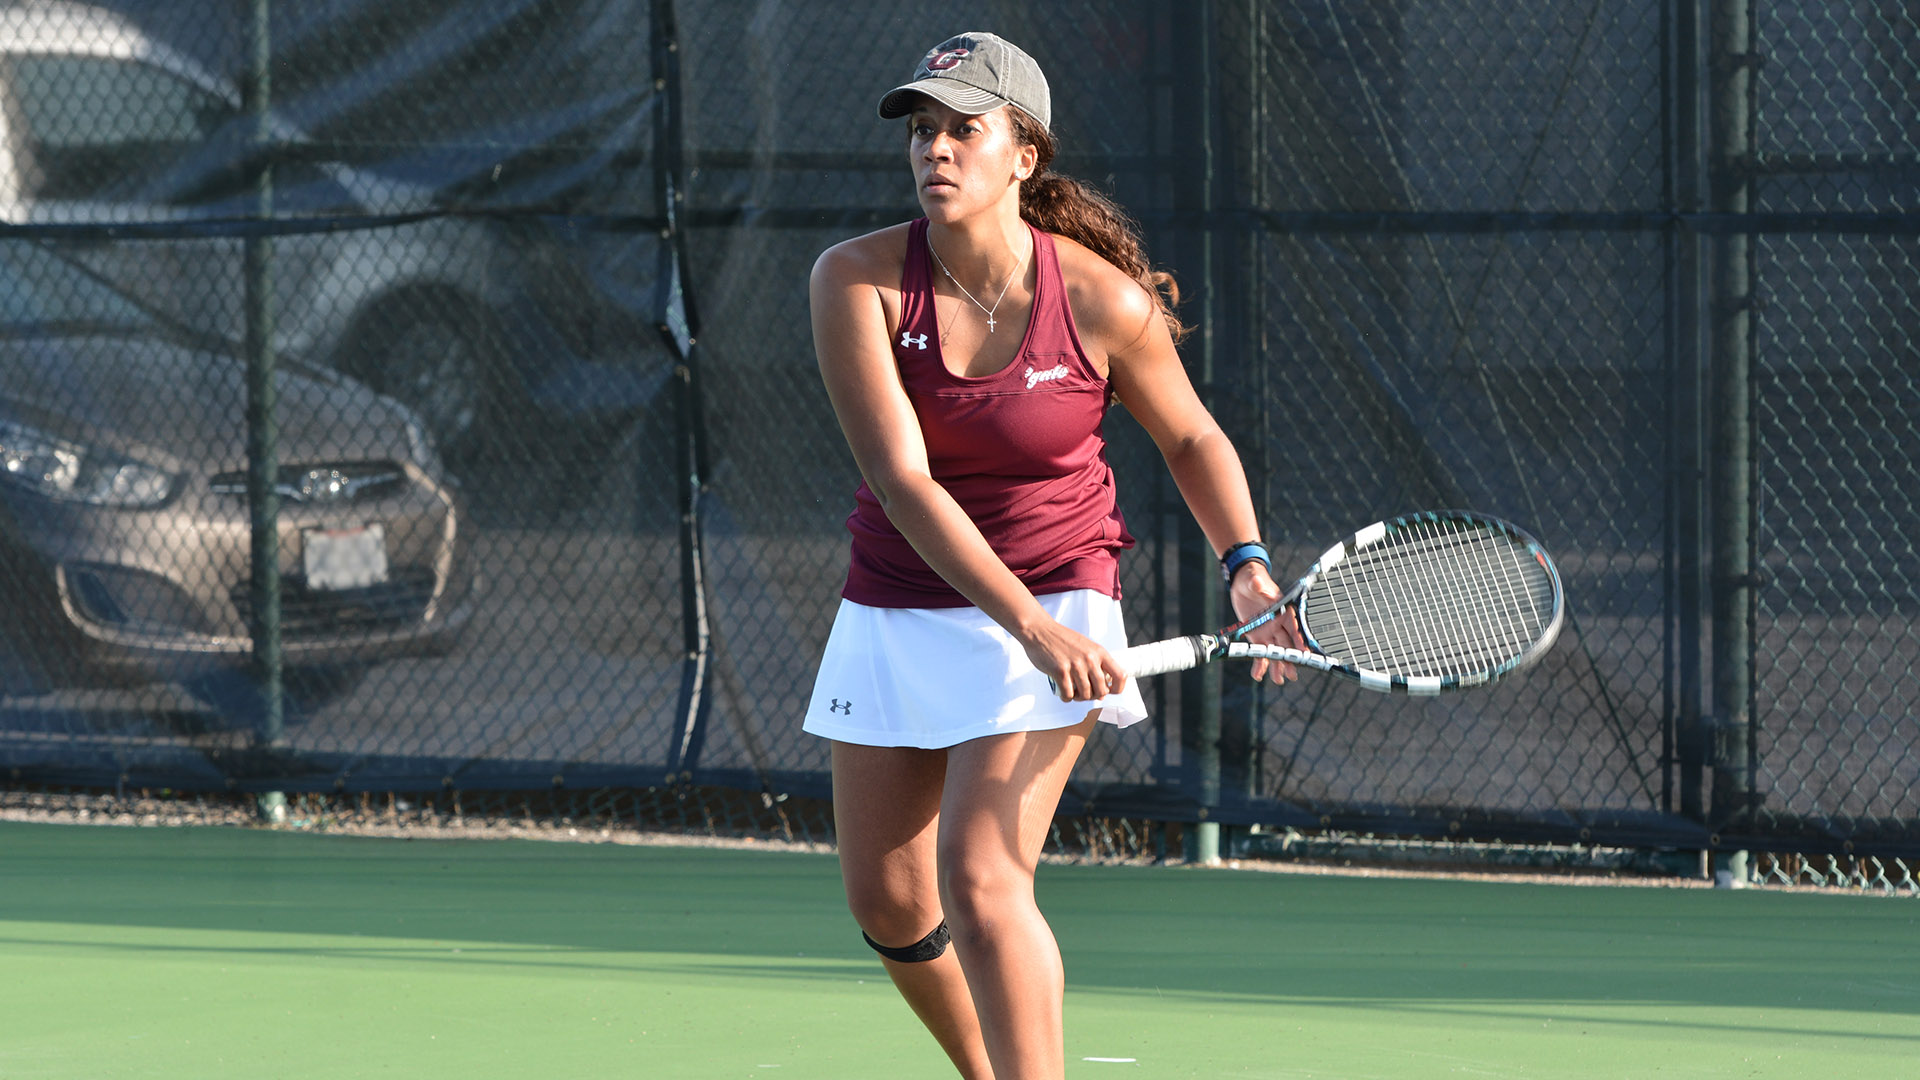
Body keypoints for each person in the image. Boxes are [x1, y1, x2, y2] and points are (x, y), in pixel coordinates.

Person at [803, 31, 1301, 1079]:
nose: (934, 150)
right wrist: (1019, 628)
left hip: (1061, 585)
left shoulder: (1098, 300)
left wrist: (1245, 561)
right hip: (903, 597)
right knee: (890, 899)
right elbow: (904, 481)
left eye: (962, 130)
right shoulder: (854, 283)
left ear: (1022, 154)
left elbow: (1192, 437)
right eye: (922, 131)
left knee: (982, 876)